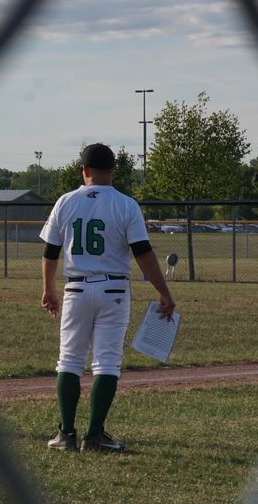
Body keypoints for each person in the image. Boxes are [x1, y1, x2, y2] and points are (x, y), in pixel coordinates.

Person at [39, 143, 176, 453]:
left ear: (84, 171)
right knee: (107, 363)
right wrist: (163, 291)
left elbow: (50, 252)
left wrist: (48, 289)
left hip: (75, 288)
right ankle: (95, 435)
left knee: (69, 361)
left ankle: (65, 434)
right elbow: (142, 253)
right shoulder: (126, 204)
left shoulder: (65, 201)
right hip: (114, 290)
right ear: (114, 172)